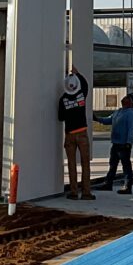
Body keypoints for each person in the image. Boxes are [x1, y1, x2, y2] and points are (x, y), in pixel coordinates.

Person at [56, 66, 95, 200]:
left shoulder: (63, 100)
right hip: (82, 133)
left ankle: (73, 192)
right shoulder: (81, 95)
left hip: (69, 135)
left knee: (71, 164)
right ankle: (86, 192)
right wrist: (77, 73)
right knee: (85, 164)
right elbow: (85, 85)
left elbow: (60, 117)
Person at [93, 92, 133, 194]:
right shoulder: (118, 111)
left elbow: (131, 129)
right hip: (115, 143)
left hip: (123, 144)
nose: (124, 99)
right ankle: (108, 183)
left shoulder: (130, 114)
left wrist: (129, 143)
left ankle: (128, 186)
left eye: (127, 98)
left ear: (131, 102)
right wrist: (97, 119)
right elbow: (109, 120)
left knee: (126, 165)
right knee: (112, 164)